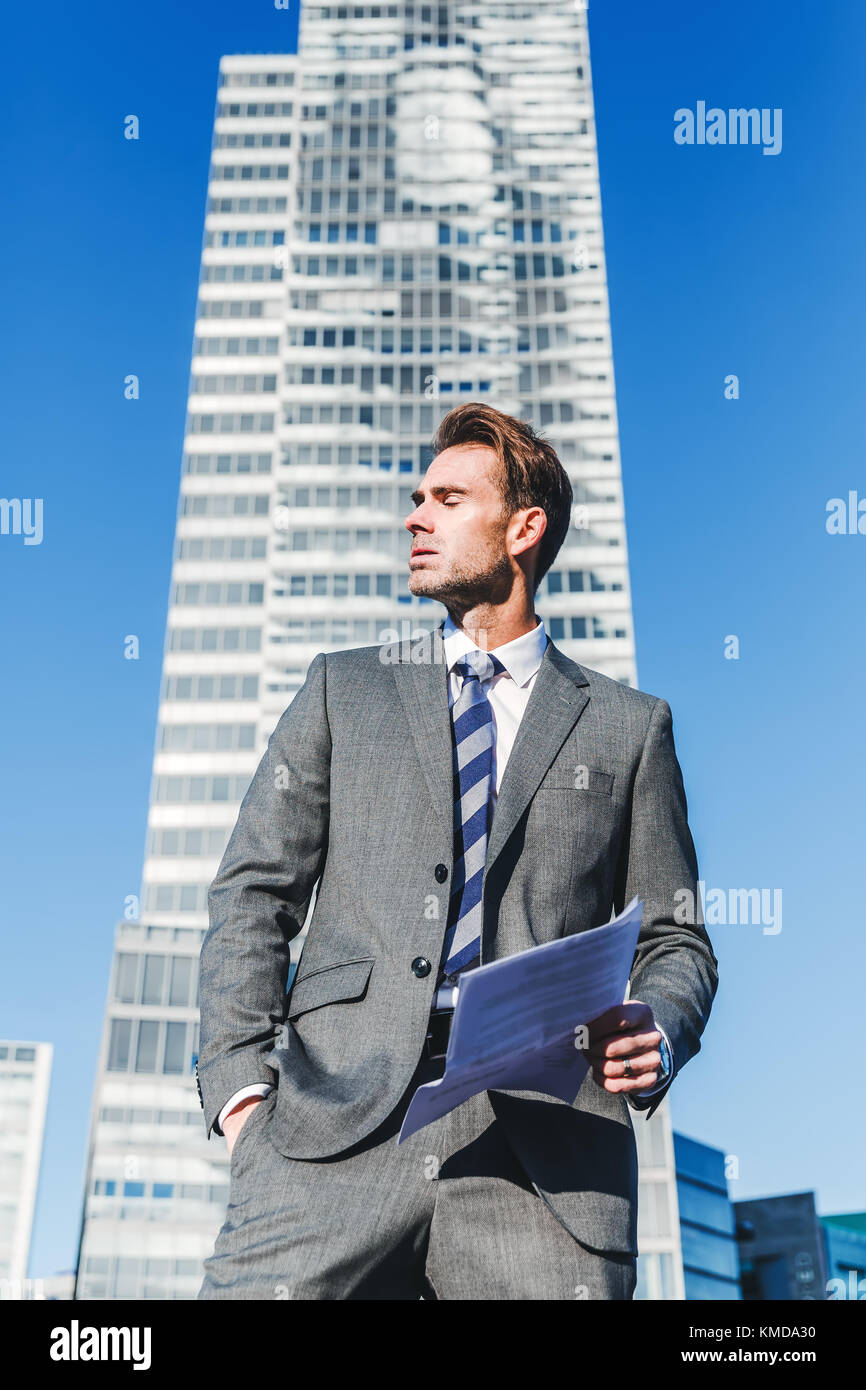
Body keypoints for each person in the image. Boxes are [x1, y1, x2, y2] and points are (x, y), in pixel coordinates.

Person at [196, 401, 718, 1300]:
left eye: (446, 497)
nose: (415, 516)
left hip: (546, 1166)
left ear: (523, 529)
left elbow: (678, 941)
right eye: (416, 497)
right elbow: (252, 895)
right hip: (329, 1139)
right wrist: (243, 1096)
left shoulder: (631, 728)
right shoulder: (343, 690)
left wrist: (659, 1030)